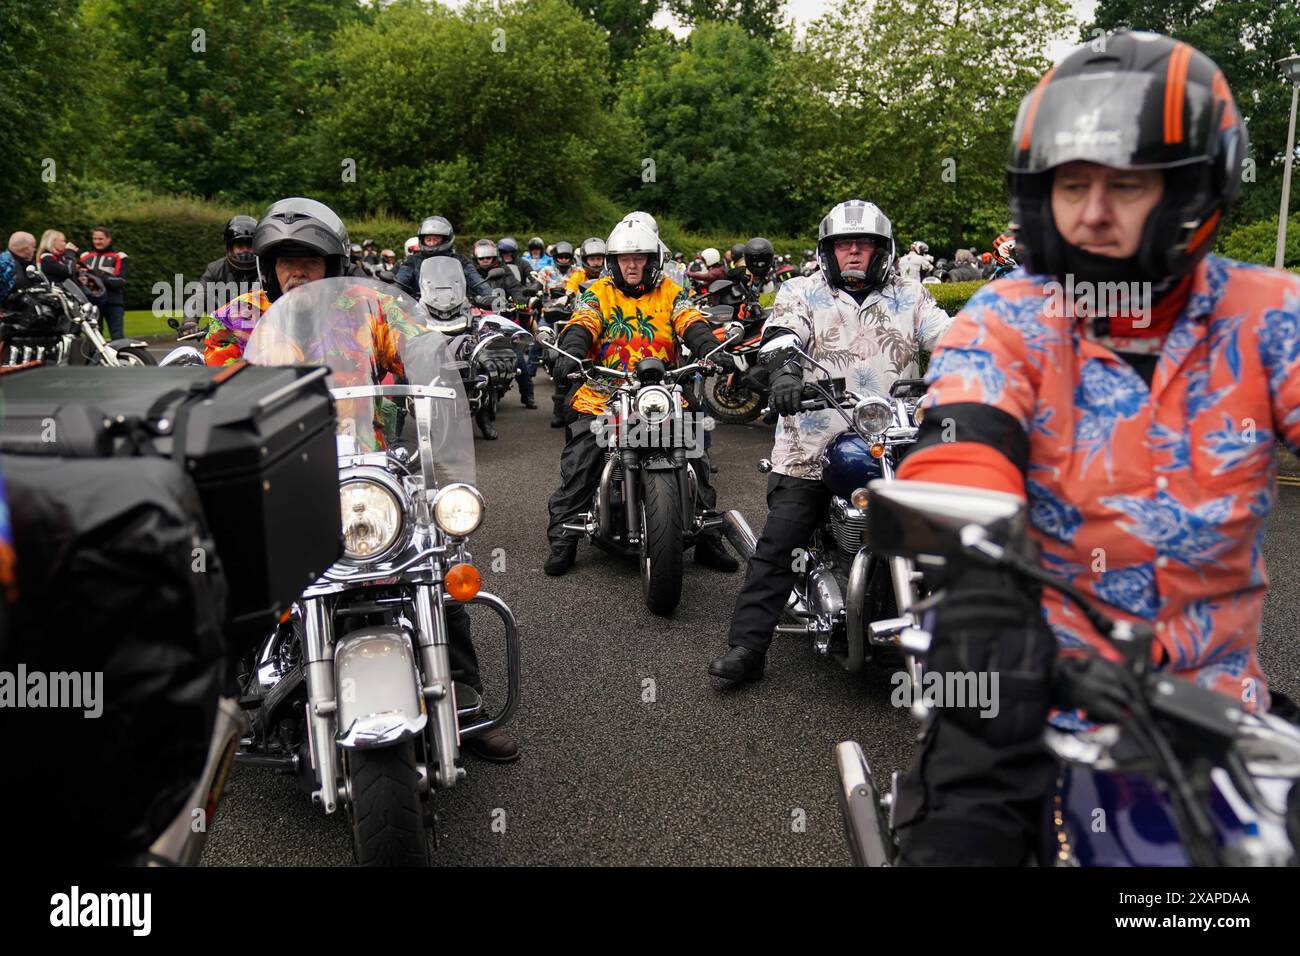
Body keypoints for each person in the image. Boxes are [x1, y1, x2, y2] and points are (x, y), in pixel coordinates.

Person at [885, 31, 1299, 866]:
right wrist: (984, 607)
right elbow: (961, 445)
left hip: (1214, 708)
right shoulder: (1004, 320)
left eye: (1128, 184)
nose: (1093, 213)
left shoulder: (1271, 317)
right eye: (1072, 185)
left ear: (1192, 190)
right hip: (1029, 694)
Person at [213, 197, 520, 761]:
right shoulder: (239, 317)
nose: (297, 271)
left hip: (368, 471)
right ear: (266, 266)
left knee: (431, 561)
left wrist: (453, 357)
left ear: (334, 263)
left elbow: (417, 338)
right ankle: (225, 698)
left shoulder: (366, 307)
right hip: (277, 474)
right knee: (230, 571)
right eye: (284, 260)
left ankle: (463, 701)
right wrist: (194, 381)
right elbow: (211, 373)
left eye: (309, 259)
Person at [707, 199, 953, 683]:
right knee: (782, 542)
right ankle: (748, 648)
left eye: (864, 244)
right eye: (844, 245)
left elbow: (954, 337)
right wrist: (784, 373)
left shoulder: (912, 295)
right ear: (828, 251)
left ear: (884, 250)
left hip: (895, 442)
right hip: (812, 445)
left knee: (955, 525)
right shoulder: (802, 291)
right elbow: (781, 334)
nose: (854, 253)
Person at [543, 214, 741, 577]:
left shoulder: (670, 291)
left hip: (662, 389)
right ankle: (563, 537)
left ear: (653, 261)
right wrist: (568, 350)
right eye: (624, 259)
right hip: (605, 388)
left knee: (695, 453)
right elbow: (581, 324)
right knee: (583, 458)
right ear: (614, 263)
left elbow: (691, 322)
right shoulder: (597, 293)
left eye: (640, 258)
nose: (632, 265)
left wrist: (711, 348)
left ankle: (709, 536)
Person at [393, 216, 495, 304]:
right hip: (420, 309)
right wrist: (389, 294)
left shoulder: (460, 260)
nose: (432, 243)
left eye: (436, 239)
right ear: (422, 240)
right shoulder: (412, 261)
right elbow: (401, 280)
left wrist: (490, 295)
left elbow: (476, 279)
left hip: (456, 308)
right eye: (428, 239)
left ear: (445, 239)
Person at [193, 215, 259, 329]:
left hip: (261, 333)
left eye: (249, 246)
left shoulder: (266, 268)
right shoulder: (215, 269)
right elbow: (200, 297)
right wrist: (190, 322)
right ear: (230, 248)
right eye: (239, 246)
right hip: (224, 331)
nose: (245, 251)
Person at [78, 226, 128, 339]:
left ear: (108, 239)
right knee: (94, 336)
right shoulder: (85, 256)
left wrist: (99, 276)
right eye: (94, 239)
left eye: (100, 239)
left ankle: (119, 356)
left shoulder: (119, 256)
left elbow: (121, 281)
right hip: (92, 302)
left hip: (113, 302)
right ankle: (95, 357)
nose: (97, 242)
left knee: (117, 336)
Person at [0, 232, 37, 305]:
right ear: (25, 249)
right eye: (33, 247)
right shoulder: (8, 265)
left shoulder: (7, 258)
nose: (35, 250)